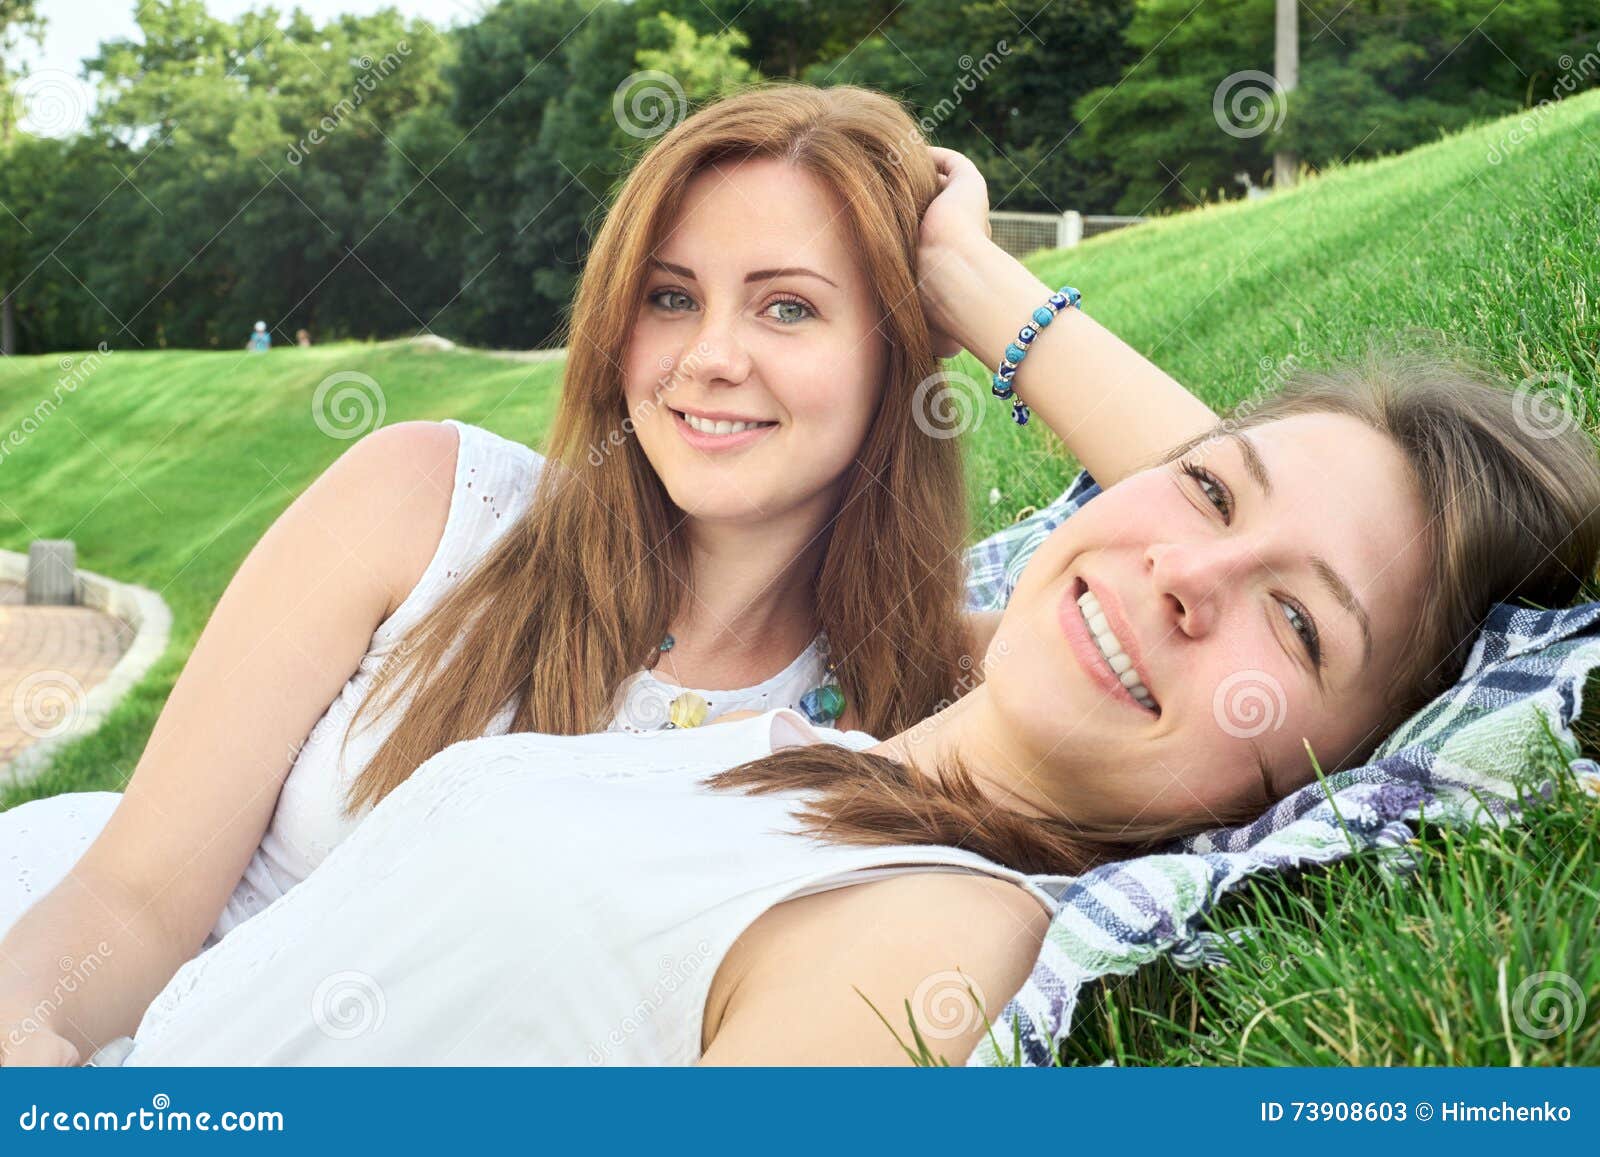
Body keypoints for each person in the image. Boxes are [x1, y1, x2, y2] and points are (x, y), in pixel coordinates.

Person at [0, 85, 1205, 1066]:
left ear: (896, 353)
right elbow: (134, 898)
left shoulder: (923, 677)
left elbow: (1241, 540)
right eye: (669, 298)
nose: (709, 358)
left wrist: (976, 284)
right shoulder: (425, 505)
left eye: (788, 308)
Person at [110, 341, 1600, 1065]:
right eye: (1208, 487)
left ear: (1327, 772)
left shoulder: (937, 928)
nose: (1183, 576)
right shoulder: (835, 739)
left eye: (1295, 620)